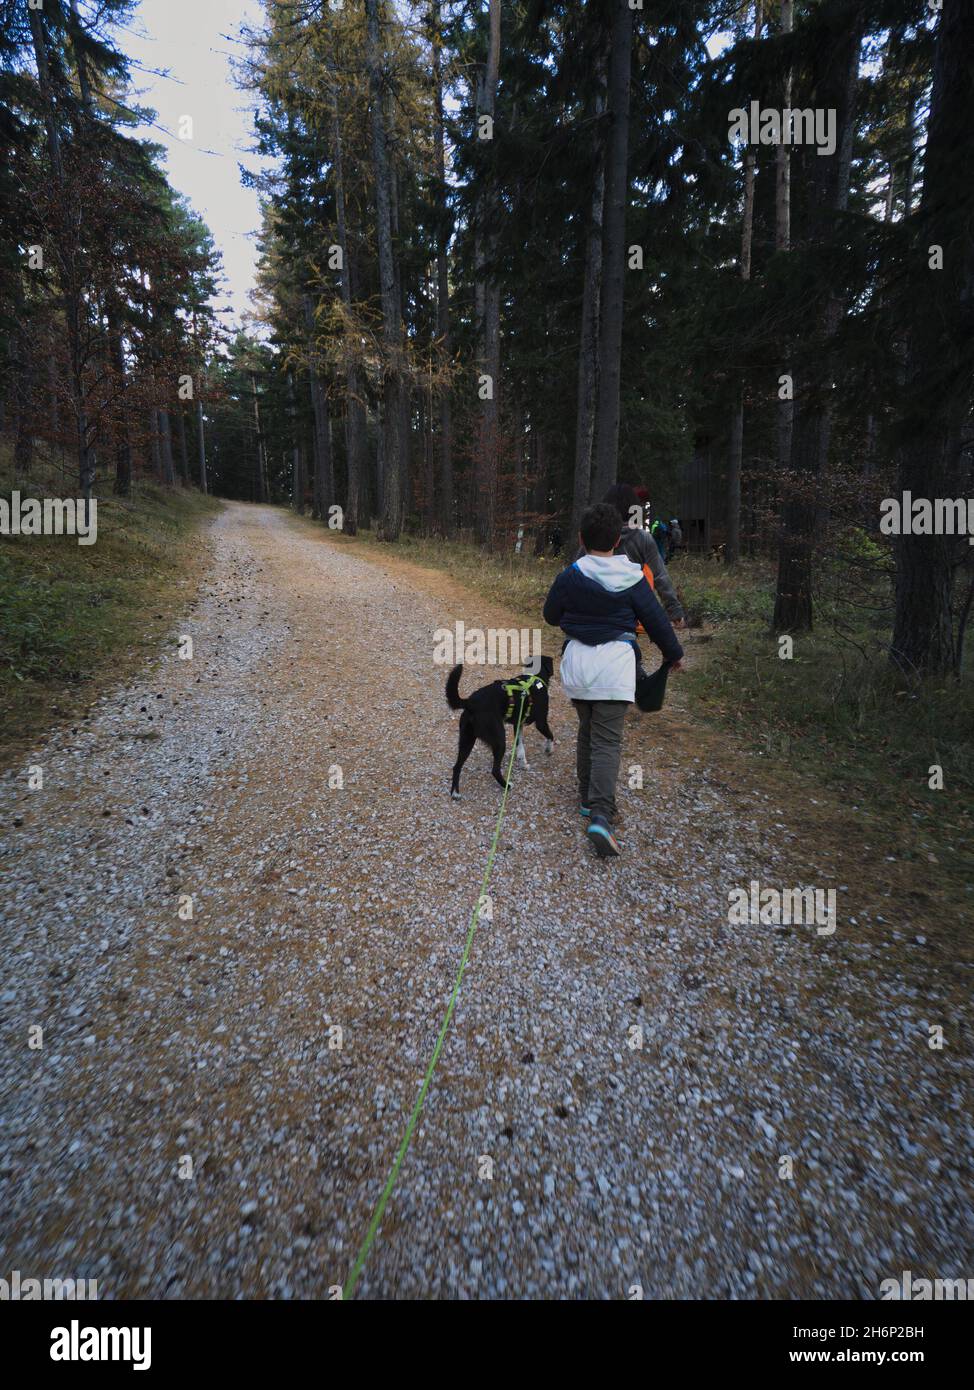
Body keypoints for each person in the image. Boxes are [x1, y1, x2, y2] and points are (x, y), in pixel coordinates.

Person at [543, 502, 685, 859]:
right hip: (614, 667)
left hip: (578, 665)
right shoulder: (633, 577)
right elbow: (656, 621)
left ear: (581, 538)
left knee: (588, 729)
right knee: (607, 740)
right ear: (618, 540)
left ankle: (587, 799)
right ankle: (602, 815)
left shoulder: (571, 575)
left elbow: (550, 615)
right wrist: (674, 654)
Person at [578, 483, 686, 627]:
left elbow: (577, 569)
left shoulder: (594, 534)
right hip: (629, 616)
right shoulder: (642, 538)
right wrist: (674, 610)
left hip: (593, 613)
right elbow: (660, 576)